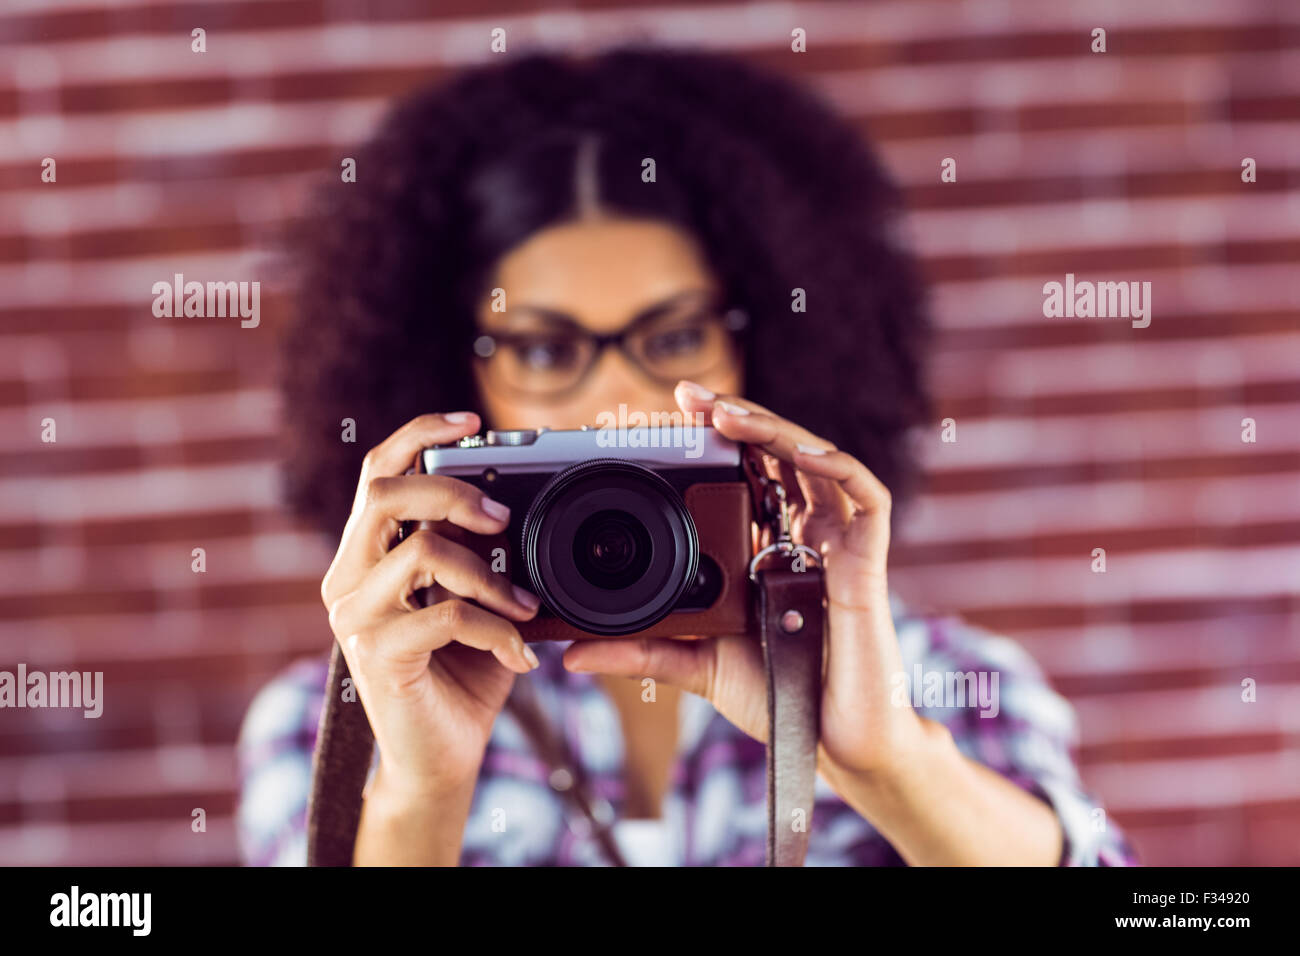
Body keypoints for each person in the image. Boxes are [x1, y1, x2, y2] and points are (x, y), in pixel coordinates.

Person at [236, 46, 1138, 866]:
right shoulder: (335, 716)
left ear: (761, 353)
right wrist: (419, 795)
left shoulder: (939, 680)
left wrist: (885, 760)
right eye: (547, 352)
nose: (618, 400)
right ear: (449, 375)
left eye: (671, 339)